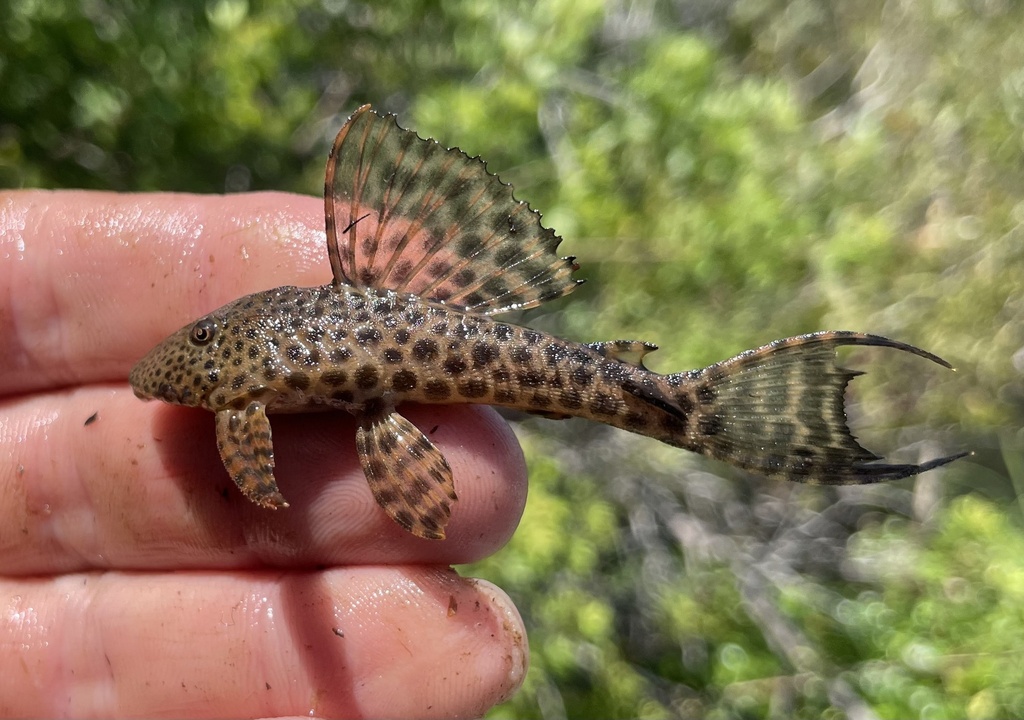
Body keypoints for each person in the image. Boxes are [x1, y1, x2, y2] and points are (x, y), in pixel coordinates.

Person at [0, 190, 529, 718]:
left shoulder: (240, 399)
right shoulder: (237, 397)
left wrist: (256, 480)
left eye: (204, 336)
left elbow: (251, 467)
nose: (199, 344)